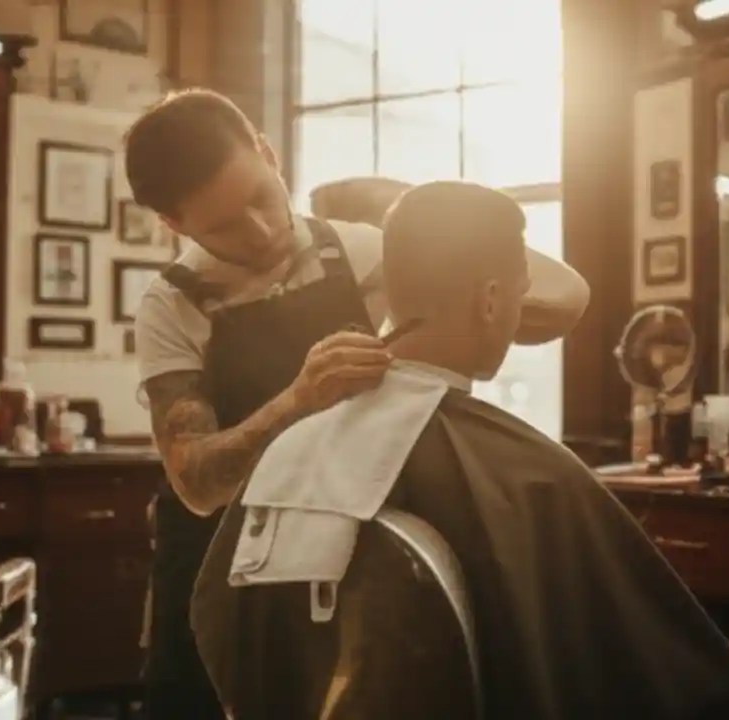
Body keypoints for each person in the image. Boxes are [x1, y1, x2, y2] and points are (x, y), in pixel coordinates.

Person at [191, 182, 729, 718]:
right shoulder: (535, 475)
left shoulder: (292, 448)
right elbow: (675, 681)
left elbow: (217, 619)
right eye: (517, 297)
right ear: (491, 301)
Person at [125, 90, 590, 718]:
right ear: (177, 226)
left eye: (261, 197)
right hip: (224, 575)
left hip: (346, 562)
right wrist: (297, 400)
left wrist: (409, 209)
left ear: (268, 153)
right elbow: (197, 483)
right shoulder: (171, 305)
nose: (261, 232)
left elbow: (564, 299)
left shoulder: (360, 251)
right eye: (224, 225)